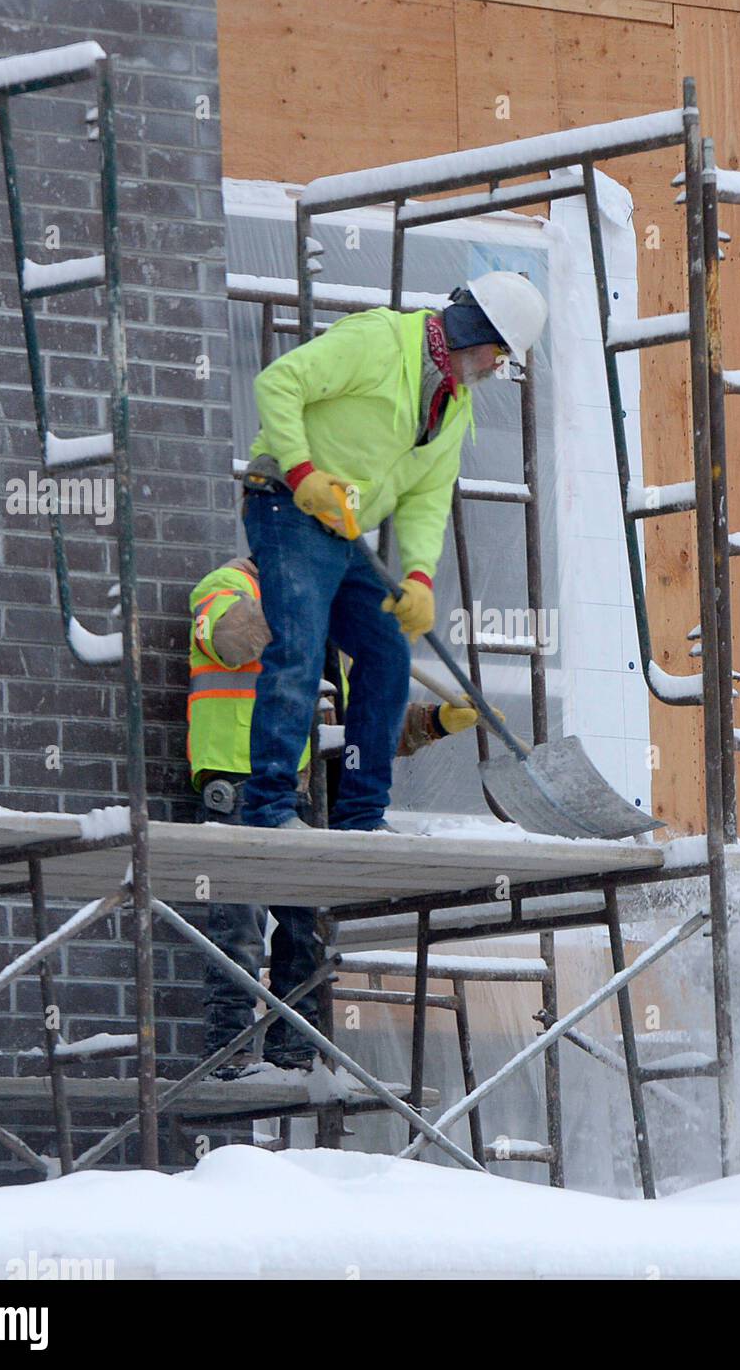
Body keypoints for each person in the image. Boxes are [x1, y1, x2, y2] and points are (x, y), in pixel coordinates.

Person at [238, 271, 548, 833]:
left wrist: (421, 577)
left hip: (344, 530)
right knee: (300, 647)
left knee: (386, 656)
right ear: (478, 336)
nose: (495, 370)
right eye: (499, 357)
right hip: (287, 502)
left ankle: (361, 813)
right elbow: (279, 383)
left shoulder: (452, 408)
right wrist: (303, 470)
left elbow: (427, 499)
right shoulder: (378, 341)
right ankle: (268, 808)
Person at [187, 554, 483, 1073]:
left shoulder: (324, 637)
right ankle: (229, 1059)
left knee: (307, 930)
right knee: (239, 925)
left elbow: (353, 733)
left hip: (301, 795)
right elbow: (229, 641)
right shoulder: (228, 584)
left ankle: (294, 1054)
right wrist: (298, 604)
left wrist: (435, 722)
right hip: (237, 785)